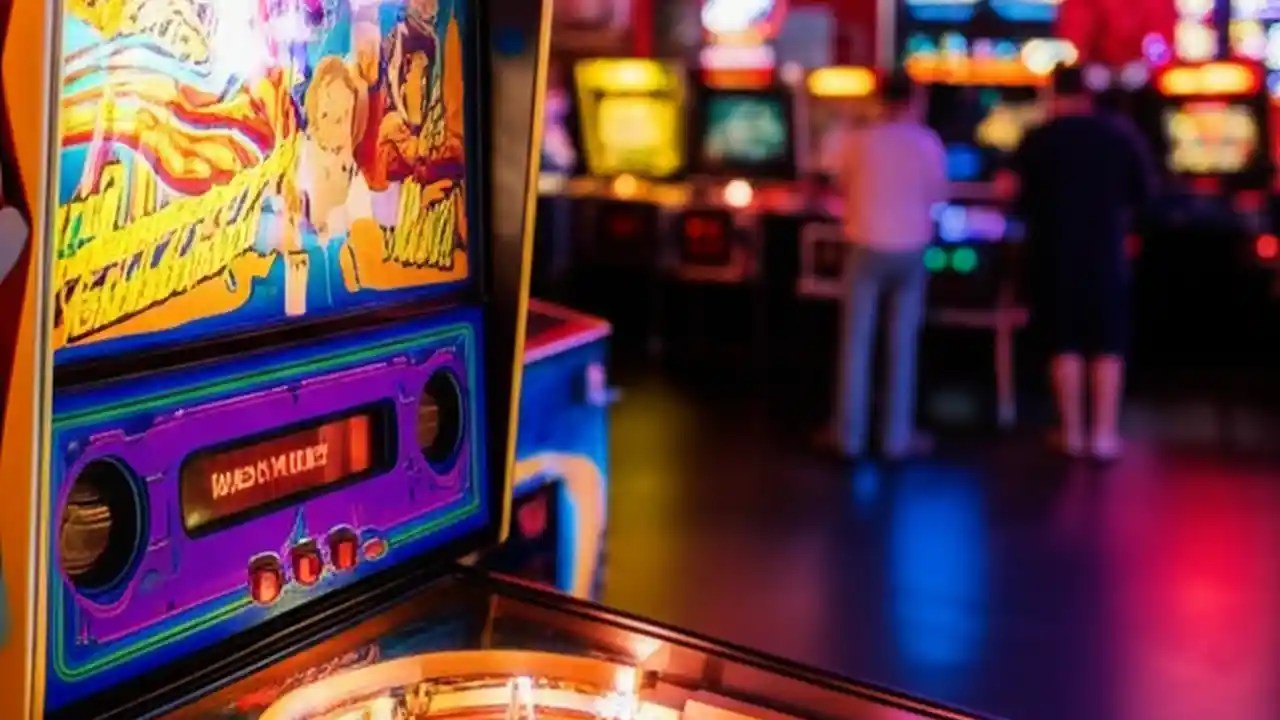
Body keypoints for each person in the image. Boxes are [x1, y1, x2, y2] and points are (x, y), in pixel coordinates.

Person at [997, 65, 1154, 461]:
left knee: (1063, 341)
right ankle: (1103, 437)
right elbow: (1147, 193)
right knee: (1107, 343)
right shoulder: (1120, 135)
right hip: (1107, 253)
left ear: (1053, 95)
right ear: (1088, 95)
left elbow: (1009, 192)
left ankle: (1071, 434)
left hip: (1053, 252)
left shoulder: (1039, 137)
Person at [826, 71, 948, 461]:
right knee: (902, 344)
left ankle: (850, 438)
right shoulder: (927, 142)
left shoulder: (859, 139)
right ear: (914, 99)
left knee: (856, 344)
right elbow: (939, 194)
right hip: (912, 247)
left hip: (864, 243)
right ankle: (896, 440)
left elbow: (836, 183)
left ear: (878, 98)